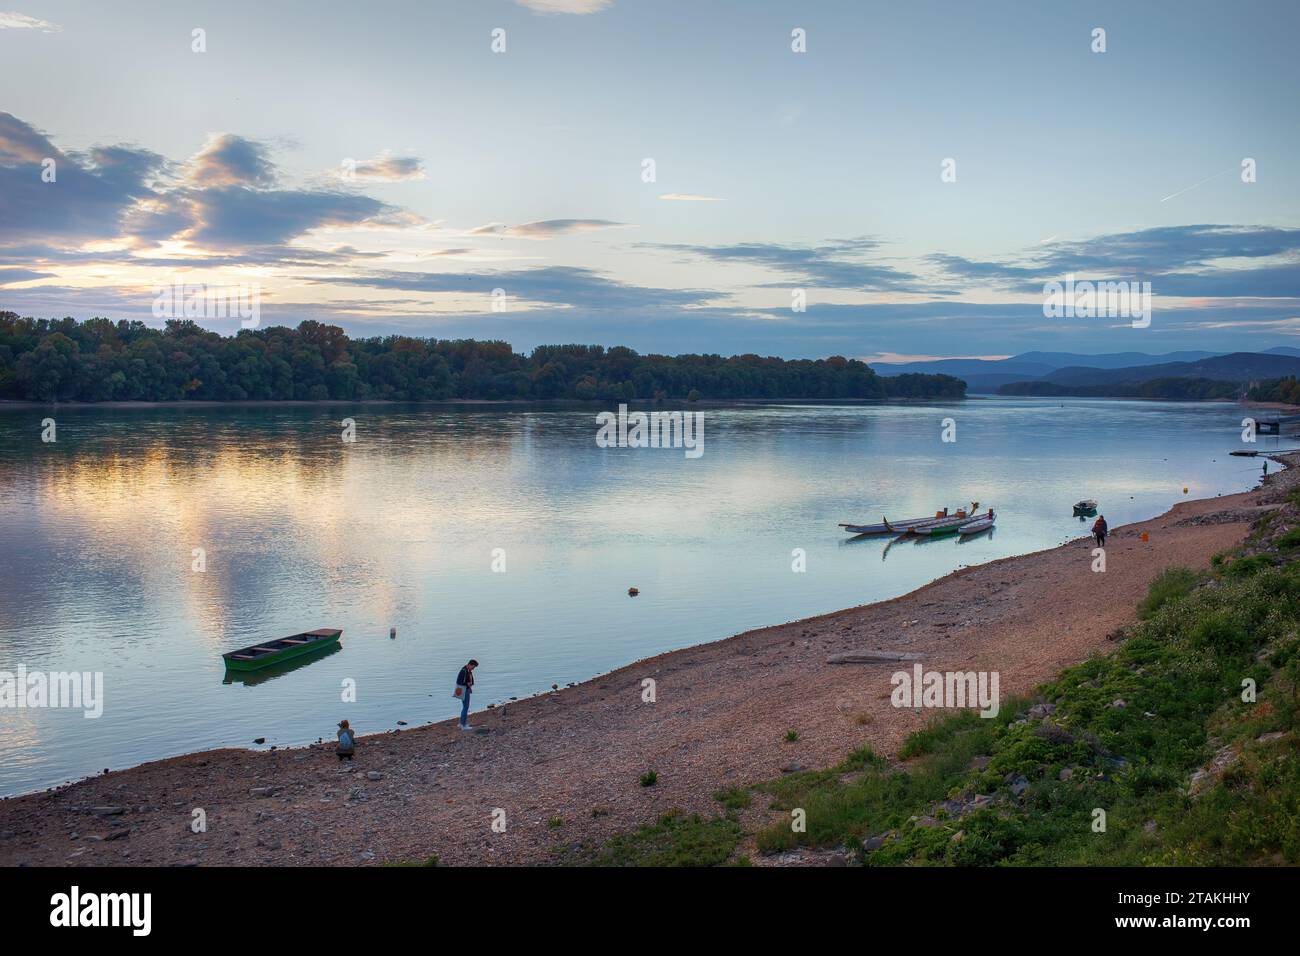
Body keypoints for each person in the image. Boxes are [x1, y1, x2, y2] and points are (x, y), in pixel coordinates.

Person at [454, 659, 478, 730]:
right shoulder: (464, 671)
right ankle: (463, 725)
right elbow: (459, 681)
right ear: (470, 665)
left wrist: (469, 687)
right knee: (466, 707)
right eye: (473, 667)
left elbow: (467, 680)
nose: (473, 669)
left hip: (466, 689)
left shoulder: (467, 670)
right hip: (464, 691)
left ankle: (461, 723)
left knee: (465, 707)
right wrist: (467, 684)